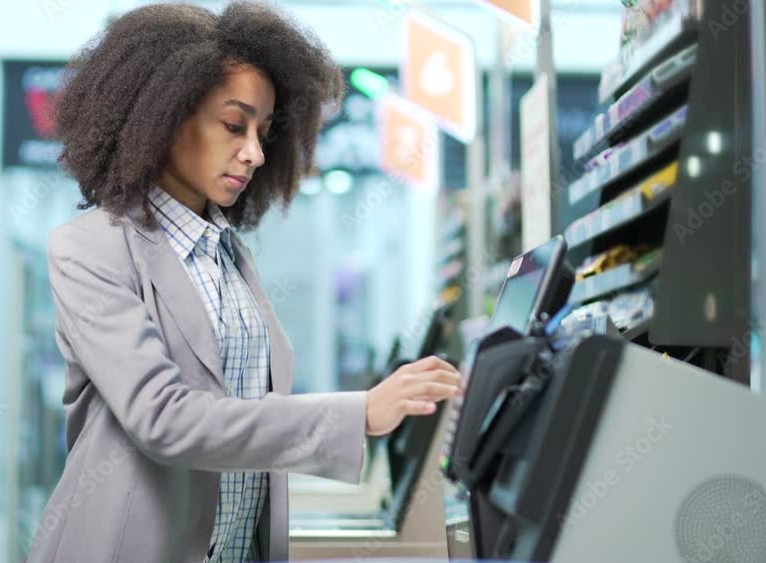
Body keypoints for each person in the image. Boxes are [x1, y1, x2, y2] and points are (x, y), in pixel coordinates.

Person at [24, 2, 462, 562]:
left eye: (264, 132)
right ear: (165, 115)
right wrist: (358, 413)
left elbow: (246, 411)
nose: (254, 153)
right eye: (234, 125)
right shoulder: (91, 249)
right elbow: (163, 418)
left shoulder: (229, 254)